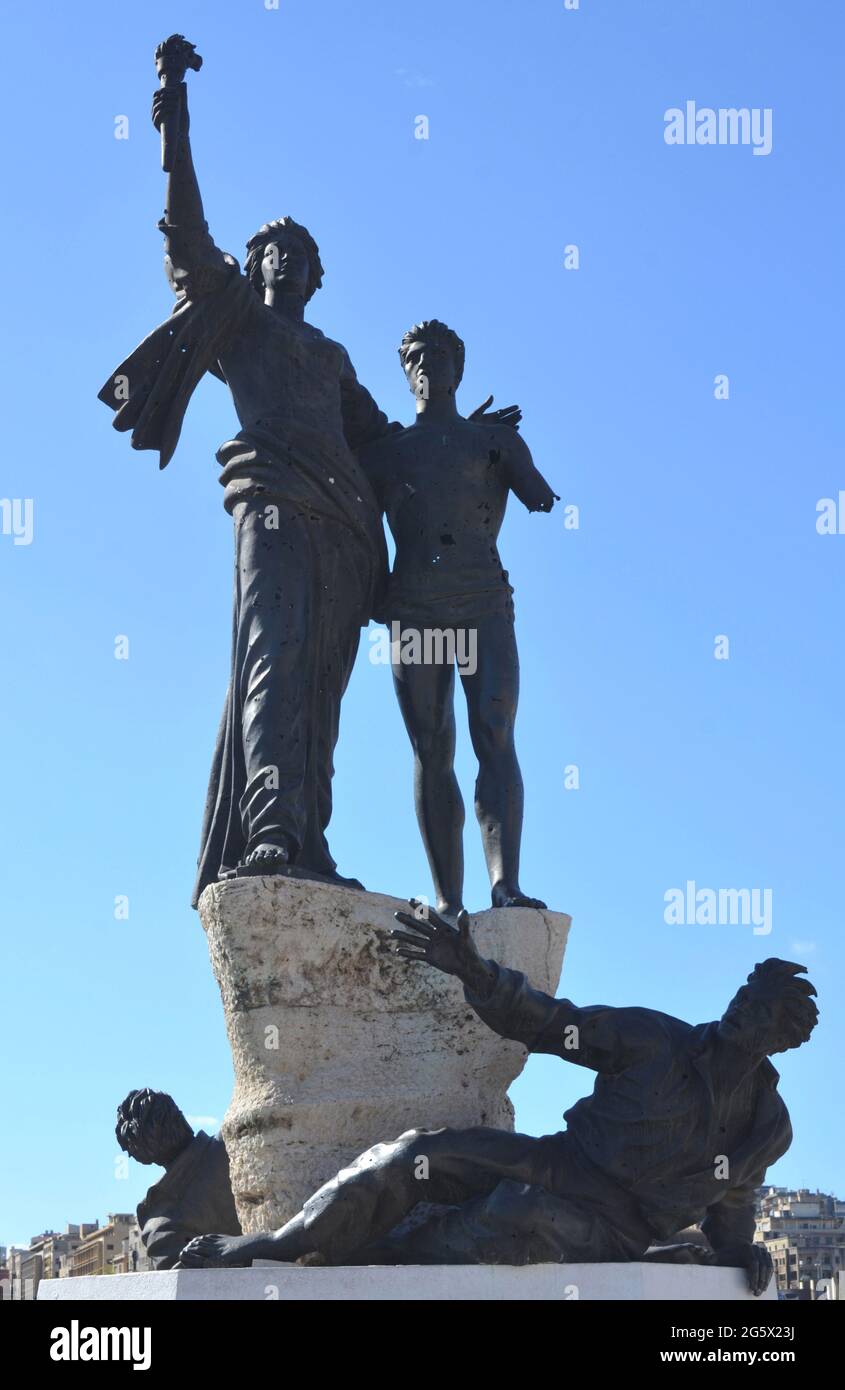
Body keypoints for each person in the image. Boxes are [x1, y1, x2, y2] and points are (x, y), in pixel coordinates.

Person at [180, 910, 817, 1294]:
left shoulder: (767, 1125)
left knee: (513, 1216)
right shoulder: (655, 1039)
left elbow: (733, 1200)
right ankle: (282, 1244)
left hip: (618, 1227)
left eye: (760, 1009)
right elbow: (551, 1024)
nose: (741, 1009)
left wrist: (737, 1249)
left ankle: (374, 1260)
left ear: (780, 1039)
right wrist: (475, 972)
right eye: (743, 993)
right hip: (561, 1161)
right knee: (419, 1155)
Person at [360, 321, 557, 917]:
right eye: (416, 358)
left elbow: (540, 495)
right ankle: (449, 899)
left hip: (483, 604)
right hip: (416, 609)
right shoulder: (387, 453)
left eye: (439, 356)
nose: (427, 366)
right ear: (405, 372)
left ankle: (506, 886)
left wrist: (486, 441)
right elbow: (355, 522)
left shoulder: (493, 444)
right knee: (431, 746)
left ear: (458, 368)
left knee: (494, 733)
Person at [115, 1088, 240, 1269]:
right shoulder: (235, 1140)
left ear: (139, 1154)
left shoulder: (159, 1220)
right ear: (180, 1117)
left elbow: (182, 1287)